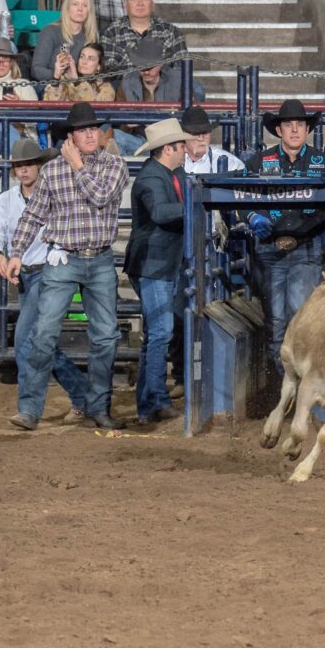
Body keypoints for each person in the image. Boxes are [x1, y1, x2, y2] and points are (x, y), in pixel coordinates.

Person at [4, 101, 130, 431]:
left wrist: (77, 166)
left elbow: (101, 197)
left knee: (105, 337)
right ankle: (29, 408)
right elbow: (34, 214)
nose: (90, 134)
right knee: (43, 333)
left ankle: (98, 406)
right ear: (71, 136)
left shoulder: (115, 166)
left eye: (93, 129)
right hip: (62, 257)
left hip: (99, 258)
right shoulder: (52, 171)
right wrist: (16, 251)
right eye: (83, 130)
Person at [243, 99, 325, 369]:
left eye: (299, 125)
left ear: (307, 129)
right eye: (288, 125)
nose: (294, 130)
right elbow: (242, 196)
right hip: (270, 249)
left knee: (298, 313)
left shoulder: (323, 162)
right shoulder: (260, 161)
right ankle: (281, 381)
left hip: (306, 248)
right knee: (276, 319)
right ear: (279, 130)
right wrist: (251, 216)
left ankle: (297, 379)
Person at [0, 138, 90, 430]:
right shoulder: (5, 201)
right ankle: (84, 394)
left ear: (38, 166)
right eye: (19, 166)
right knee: (40, 342)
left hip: (50, 273)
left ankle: (29, 409)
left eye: (28, 165)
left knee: (25, 339)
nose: (23, 171)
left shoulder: (55, 195)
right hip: (24, 275)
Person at [126, 117, 191, 424]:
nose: (186, 150)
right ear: (168, 149)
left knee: (157, 332)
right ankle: (155, 400)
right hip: (153, 265)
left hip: (159, 263)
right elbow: (161, 213)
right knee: (162, 331)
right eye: (181, 146)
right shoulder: (152, 178)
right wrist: (195, 203)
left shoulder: (167, 174)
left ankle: (148, 404)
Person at [27, 0, 96, 87]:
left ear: (89, 11)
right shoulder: (50, 31)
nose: (80, 9)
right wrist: (57, 75)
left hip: (79, 89)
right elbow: (36, 70)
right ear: (67, 8)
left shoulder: (90, 37)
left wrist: (76, 80)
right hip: (49, 87)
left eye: (85, 5)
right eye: (75, 4)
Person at [41, 42, 116, 105]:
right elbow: (51, 105)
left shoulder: (106, 88)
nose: (84, 61)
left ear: (98, 66)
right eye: (82, 56)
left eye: (90, 58)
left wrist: (77, 82)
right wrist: (56, 77)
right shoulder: (66, 80)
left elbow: (91, 109)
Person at [181, 104, 245, 176]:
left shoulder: (233, 164)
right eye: (196, 133)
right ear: (184, 135)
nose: (201, 138)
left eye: (205, 132)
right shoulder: (171, 161)